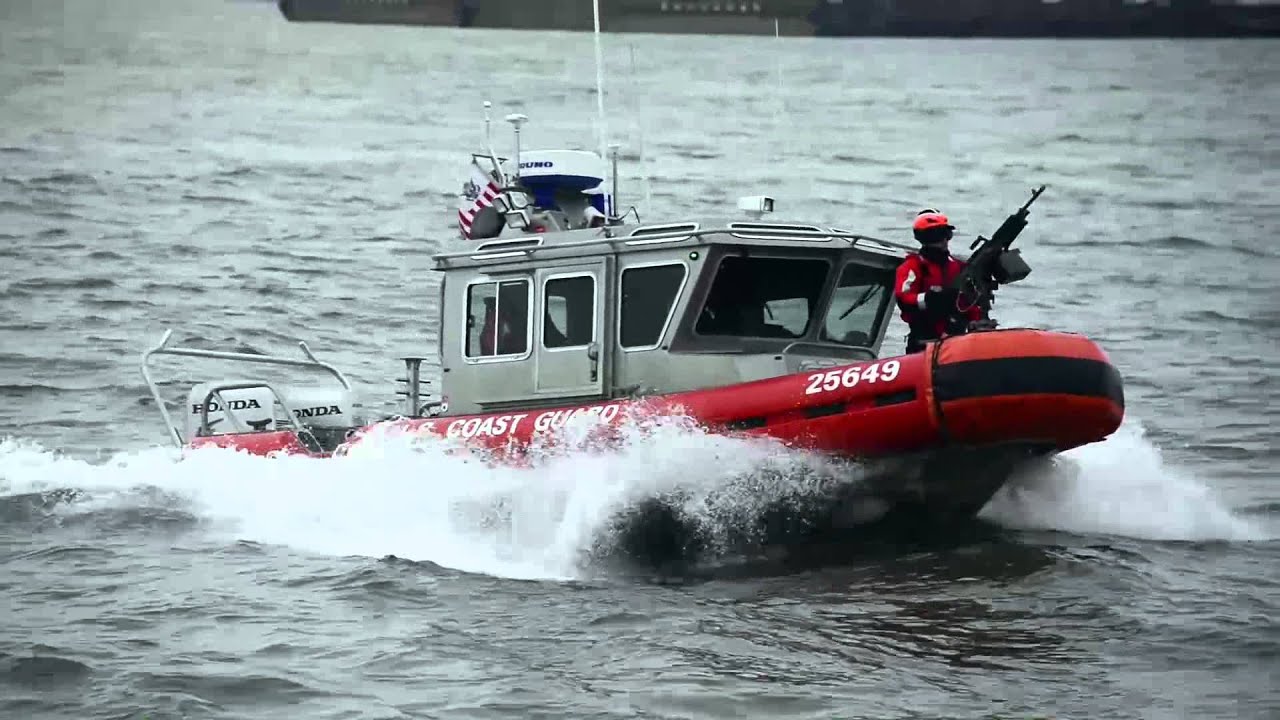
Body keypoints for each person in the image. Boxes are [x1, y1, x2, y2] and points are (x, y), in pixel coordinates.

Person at [893, 208, 984, 354]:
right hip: (924, 341)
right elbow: (903, 299)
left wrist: (976, 319)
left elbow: (970, 301)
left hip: (956, 339)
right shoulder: (913, 266)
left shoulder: (958, 267)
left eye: (946, 234)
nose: (943, 241)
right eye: (936, 235)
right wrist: (930, 298)